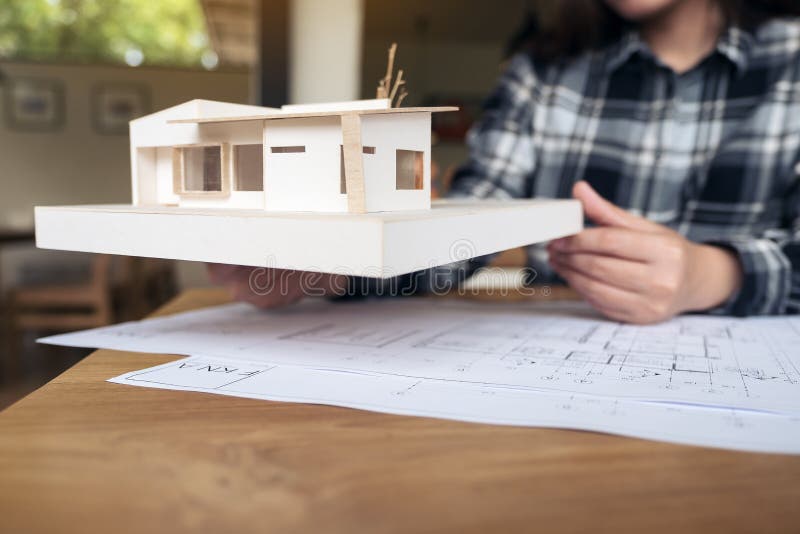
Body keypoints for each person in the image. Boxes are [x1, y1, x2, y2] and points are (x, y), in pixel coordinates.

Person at [210, 0, 800, 324]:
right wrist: (344, 264)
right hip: (551, 360)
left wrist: (712, 274)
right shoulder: (540, 72)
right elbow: (474, 221)